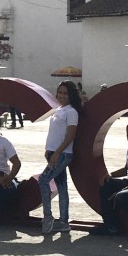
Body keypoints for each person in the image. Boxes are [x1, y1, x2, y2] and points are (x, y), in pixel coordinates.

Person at [39, 80, 82, 233]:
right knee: (62, 186)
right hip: (53, 153)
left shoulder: (71, 112)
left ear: (71, 96)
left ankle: (48, 216)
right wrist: (48, 150)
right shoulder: (59, 110)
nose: (62, 96)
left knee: (43, 180)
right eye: (60, 92)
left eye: (65, 93)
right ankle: (64, 221)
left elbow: (71, 135)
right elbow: (54, 133)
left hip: (62, 154)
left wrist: (57, 152)